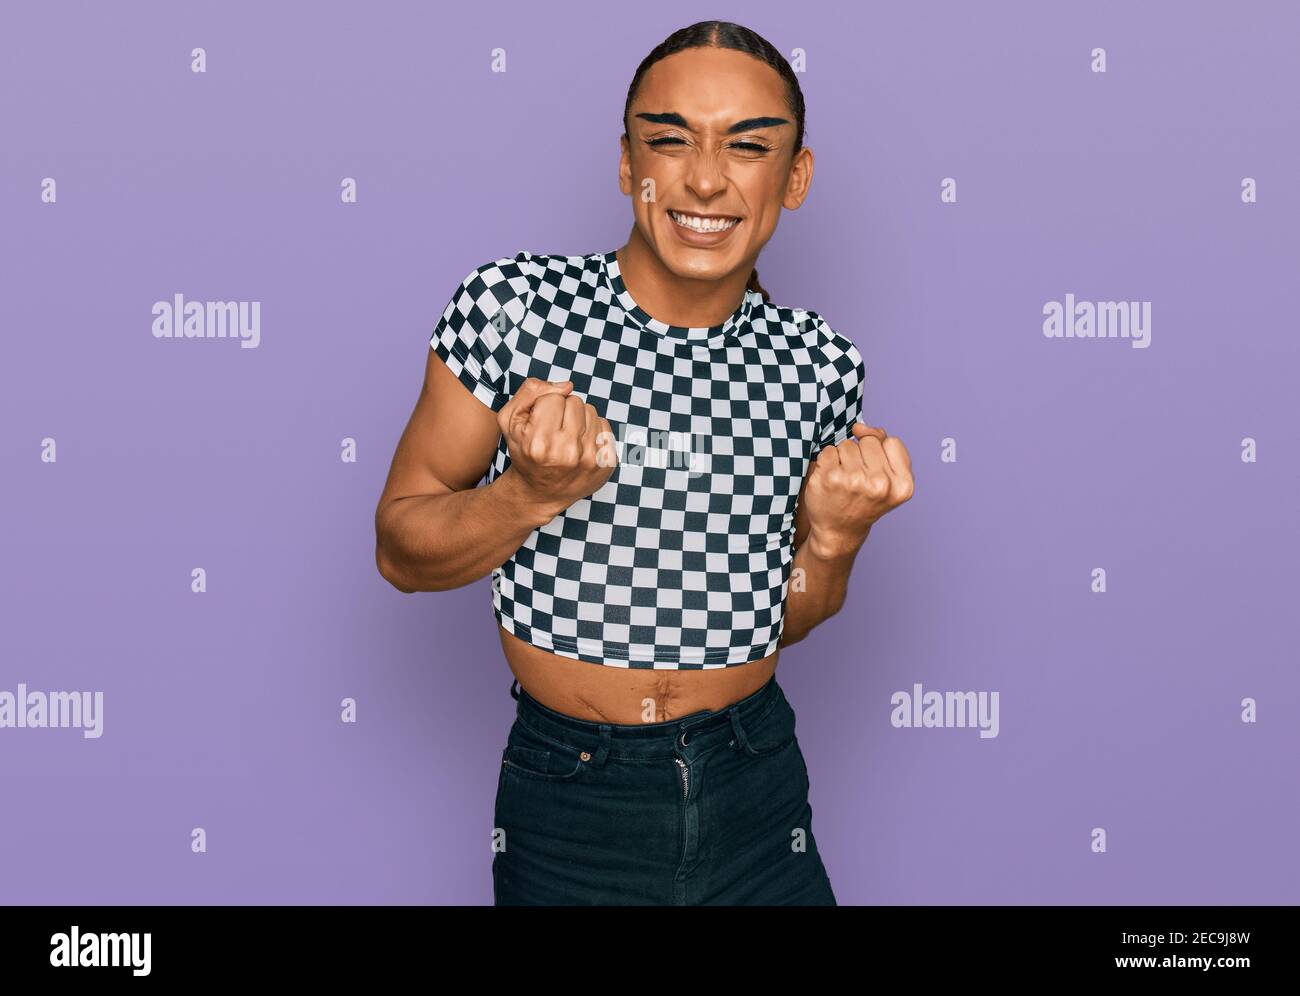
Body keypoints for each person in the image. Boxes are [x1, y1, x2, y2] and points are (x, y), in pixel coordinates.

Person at [375, 20, 914, 905]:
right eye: (670, 141)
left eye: (747, 147)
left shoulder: (820, 363)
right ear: (629, 166)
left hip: (755, 784)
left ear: (797, 176)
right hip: (572, 800)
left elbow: (780, 623)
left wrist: (836, 540)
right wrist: (526, 495)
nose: (705, 178)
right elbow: (399, 551)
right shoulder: (514, 310)